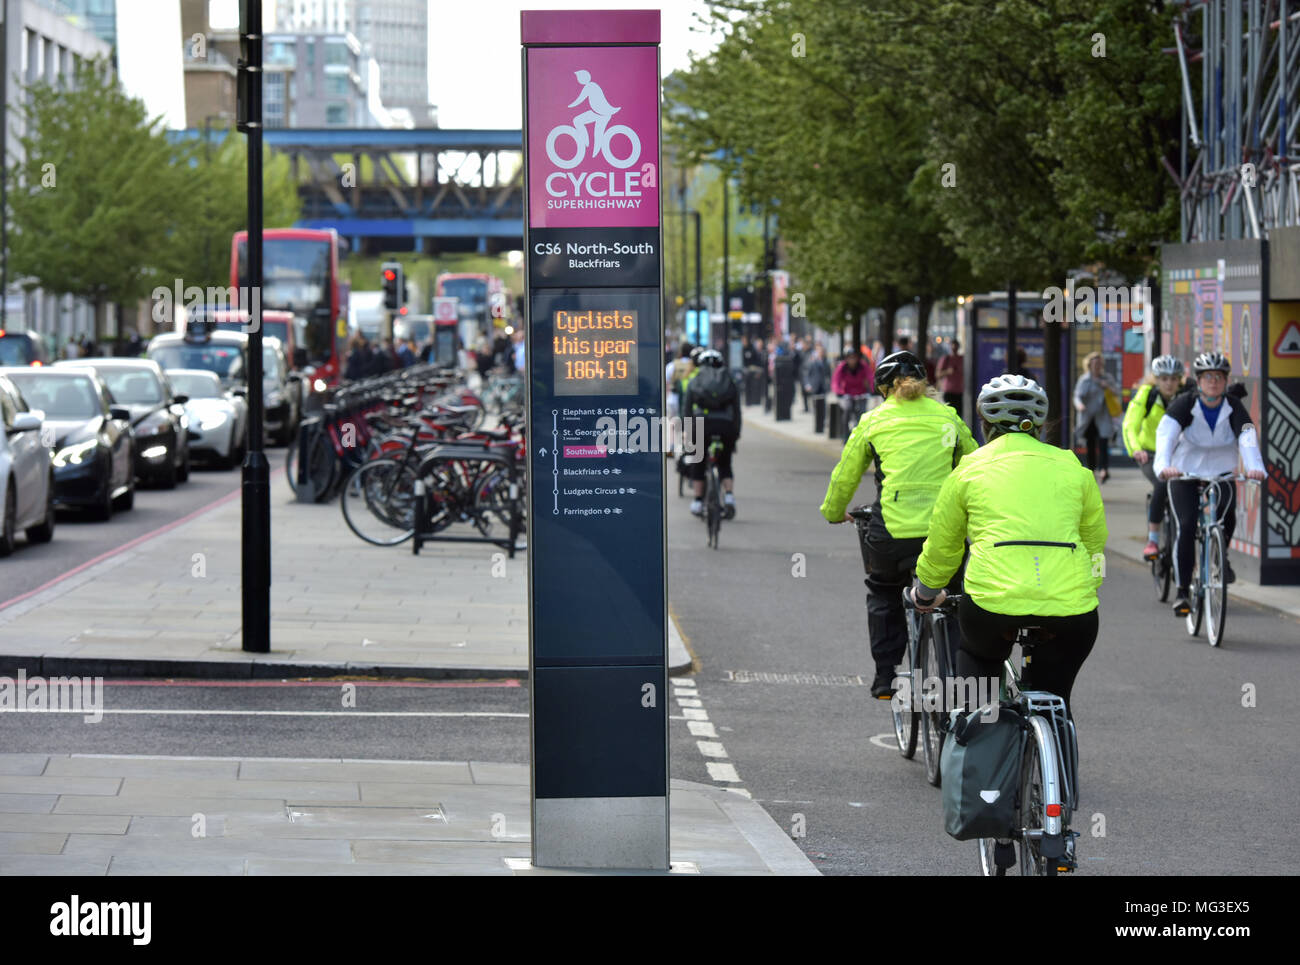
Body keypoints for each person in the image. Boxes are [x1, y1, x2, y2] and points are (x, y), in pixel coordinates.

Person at [911, 374, 1106, 722]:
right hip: (1071, 610)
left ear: (985, 425)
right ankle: (1056, 755)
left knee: (978, 675)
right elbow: (1094, 544)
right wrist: (1085, 587)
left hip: (992, 605)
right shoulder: (1075, 468)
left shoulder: (968, 470)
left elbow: (944, 547)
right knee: (1055, 694)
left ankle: (982, 735)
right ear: (1039, 425)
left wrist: (925, 592)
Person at [821, 351, 977, 698]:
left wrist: (834, 511)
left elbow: (845, 476)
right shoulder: (948, 418)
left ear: (883, 388)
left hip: (892, 533)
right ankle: (958, 680)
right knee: (951, 597)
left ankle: (885, 676)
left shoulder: (873, 421)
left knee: (883, 589)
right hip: (942, 533)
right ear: (923, 383)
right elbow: (976, 466)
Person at [1155, 352, 1267, 616]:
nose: (1213, 382)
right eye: (1208, 377)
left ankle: (1219, 556)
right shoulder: (1184, 404)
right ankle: (1183, 591)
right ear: (1198, 380)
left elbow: (1247, 438)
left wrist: (1255, 467)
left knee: (1228, 519)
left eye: (1219, 377)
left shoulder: (1234, 407)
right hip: (1185, 472)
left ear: (1226, 381)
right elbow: (1166, 436)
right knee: (1185, 524)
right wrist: (1163, 466)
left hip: (1221, 472)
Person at [1123, 355, 1190, 560]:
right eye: (1163, 378)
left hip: (1178, 454)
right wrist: (1136, 449)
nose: (1169, 383)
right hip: (1150, 453)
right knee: (1162, 483)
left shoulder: (1187, 395)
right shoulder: (1147, 394)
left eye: (1173, 378)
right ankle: (1152, 539)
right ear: (1156, 379)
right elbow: (1130, 425)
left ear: (1180, 379)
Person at [684, 349, 741, 518]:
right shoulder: (729, 381)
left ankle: (697, 500)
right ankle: (729, 497)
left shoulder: (695, 381)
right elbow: (737, 411)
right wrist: (735, 433)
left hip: (702, 424)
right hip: (725, 426)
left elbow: (687, 410)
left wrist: (687, 433)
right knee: (725, 463)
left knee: (698, 462)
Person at [1073, 351, 1117, 483]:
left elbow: (1117, 391)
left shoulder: (1107, 378)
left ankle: (1104, 469)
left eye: (1099, 363)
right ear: (1089, 365)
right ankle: (1091, 470)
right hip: (1088, 417)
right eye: (1094, 363)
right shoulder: (1084, 379)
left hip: (1103, 416)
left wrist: (1107, 386)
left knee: (1103, 443)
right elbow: (1077, 396)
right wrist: (1079, 405)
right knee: (1091, 444)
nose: (1097, 366)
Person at [831, 347, 873, 429]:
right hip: (848, 394)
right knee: (847, 410)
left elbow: (870, 377)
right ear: (846, 359)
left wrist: (873, 389)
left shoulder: (863, 365)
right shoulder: (842, 367)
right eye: (850, 358)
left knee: (863, 413)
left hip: (861, 393)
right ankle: (845, 434)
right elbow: (835, 380)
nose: (852, 360)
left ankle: (863, 432)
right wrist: (838, 392)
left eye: (854, 357)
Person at [665, 343, 695, 458]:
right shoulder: (693, 366)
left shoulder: (672, 365)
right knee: (688, 422)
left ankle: (670, 447)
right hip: (690, 399)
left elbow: (667, 383)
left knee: (671, 423)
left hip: (673, 398)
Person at [936, 339, 964, 413]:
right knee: (949, 413)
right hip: (948, 392)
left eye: (956, 347)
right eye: (953, 347)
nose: (954, 348)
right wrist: (947, 371)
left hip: (959, 392)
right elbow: (938, 374)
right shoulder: (946, 359)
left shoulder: (962, 359)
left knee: (959, 414)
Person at [802, 342, 830, 412]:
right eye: (819, 351)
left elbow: (829, 375)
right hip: (814, 385)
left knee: (823, 404)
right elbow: (806, 374)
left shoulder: (826, 362)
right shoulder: (812, 362)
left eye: (822, 351)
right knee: (815, 404)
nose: (821, 353)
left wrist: (829, 385)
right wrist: (807, 384)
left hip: (823, 386)